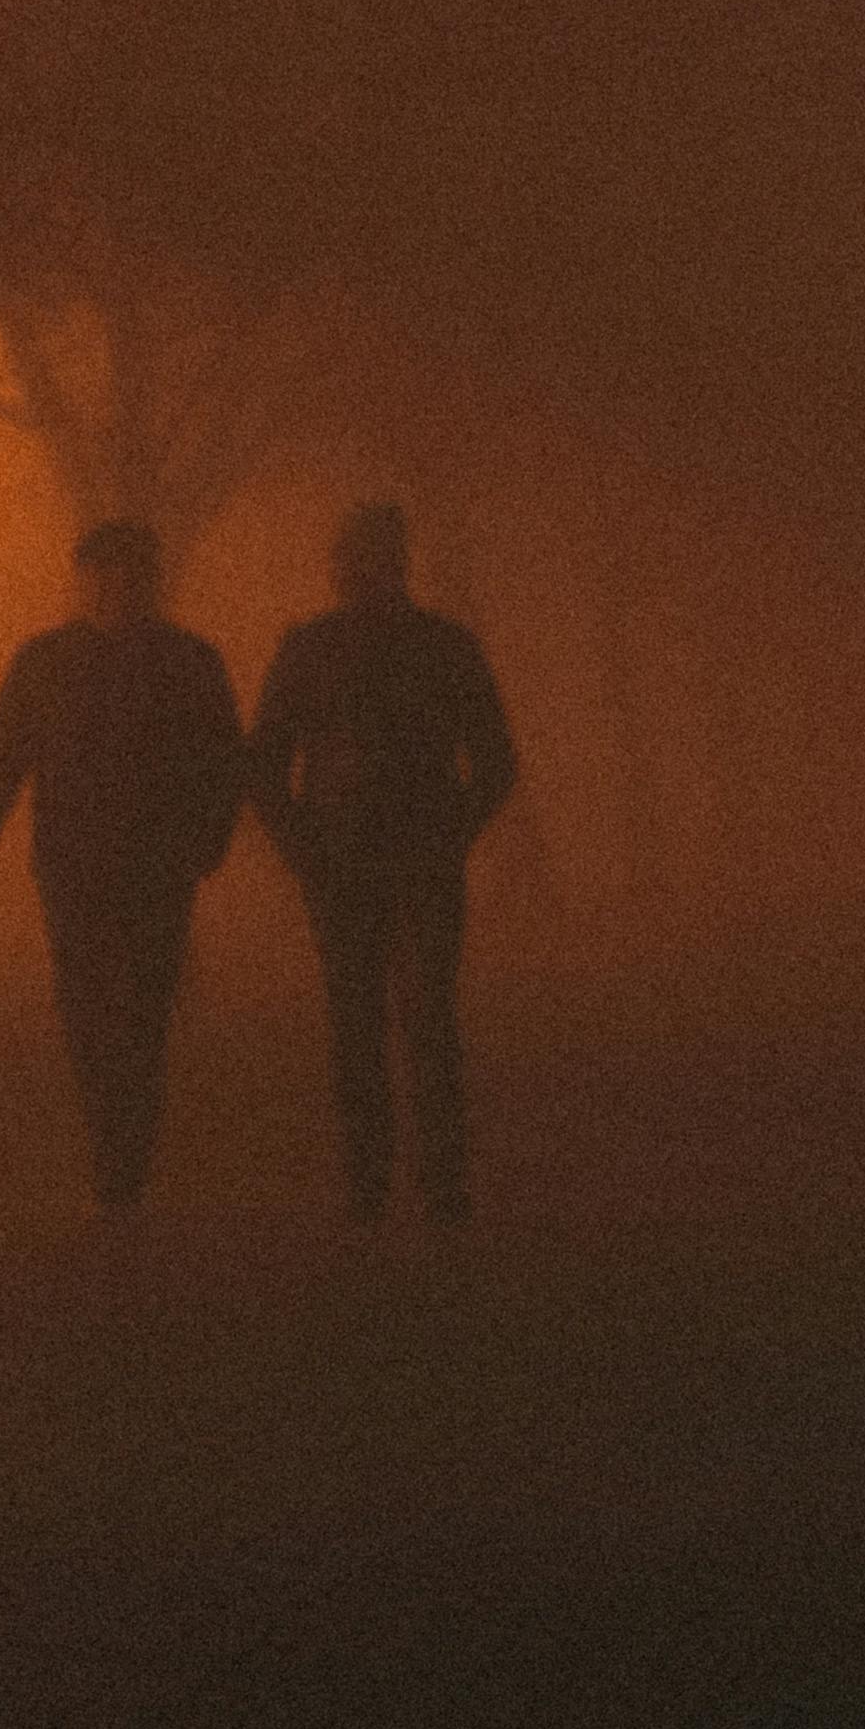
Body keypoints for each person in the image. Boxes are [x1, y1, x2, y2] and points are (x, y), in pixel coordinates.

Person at [0, 518, 245, 1216]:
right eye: (99, 575)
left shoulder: (189, 662)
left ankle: (125, 1154)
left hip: (155, 867)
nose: (110, 590)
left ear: (147, 582)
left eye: (125, 575)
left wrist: (206, 842)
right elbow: (5, 750)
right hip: (73, 865)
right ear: (82, 581)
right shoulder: (44, 662)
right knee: (84, 1009)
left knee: (142, 1010)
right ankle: (115, 1146)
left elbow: (225, 763)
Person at [246, 502, 518, 1225]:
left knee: (413, 1017)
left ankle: (419, 1181)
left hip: (392, 857)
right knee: (369, 1021)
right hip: (350, 861)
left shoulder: (429, 646)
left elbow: (495, 760)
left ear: (388, 561)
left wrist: (447, 831)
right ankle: (390, 1179)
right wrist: (306, 849)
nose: (341, 570)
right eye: (342, 556)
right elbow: (265, 764)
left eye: (353, 556)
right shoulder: (344, 647)